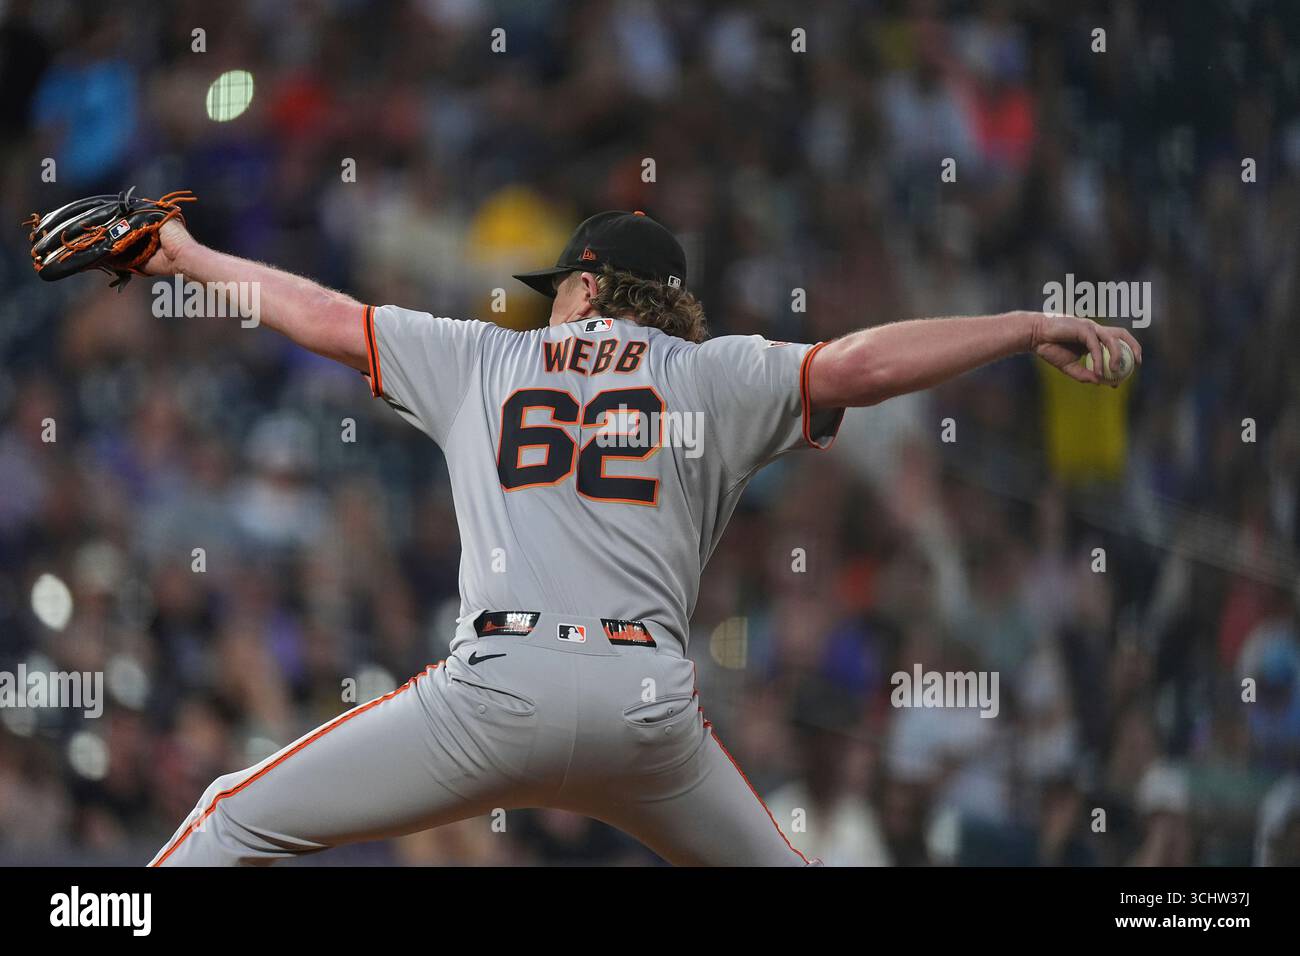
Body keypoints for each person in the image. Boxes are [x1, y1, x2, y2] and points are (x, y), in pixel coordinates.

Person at [144, 208, 1140, 866]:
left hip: (494, 688)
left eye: (559, 287)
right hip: (646, 709)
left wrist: (182, 255)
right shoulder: (717, 372)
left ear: (585, 286)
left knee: (234, 814)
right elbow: (862, 365)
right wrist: (1018, 325)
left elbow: (320, 312)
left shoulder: (481, 355)